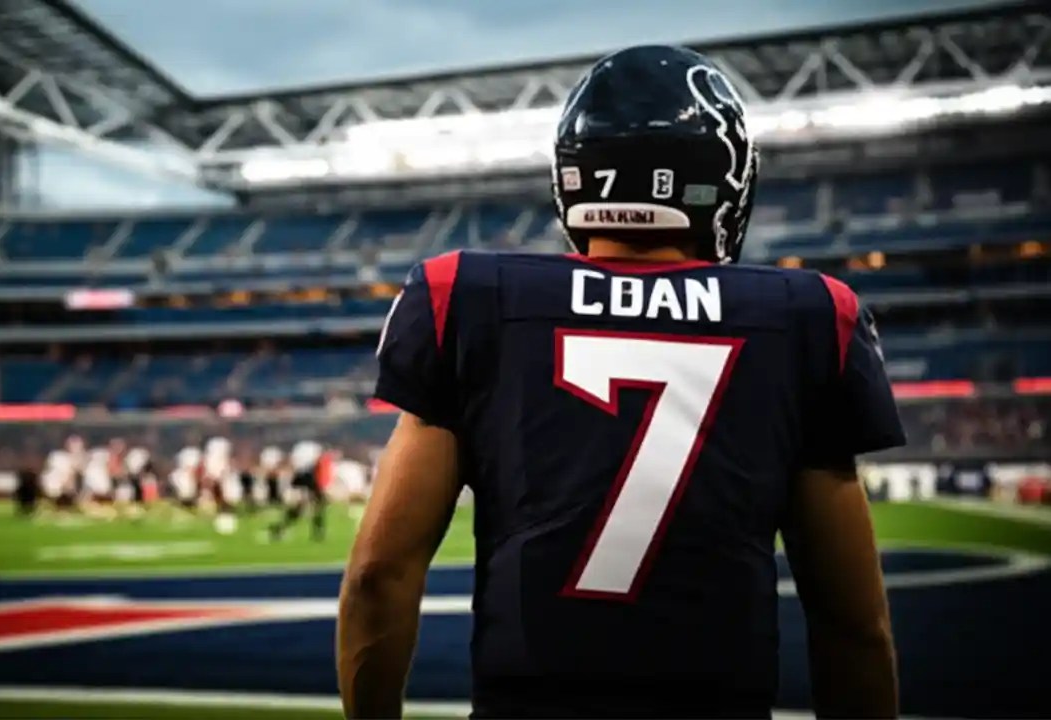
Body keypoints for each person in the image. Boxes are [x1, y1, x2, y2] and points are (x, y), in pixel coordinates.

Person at [338, 45, 903, 720]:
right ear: (722, 180)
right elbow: (851, 623)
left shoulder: (471, 297)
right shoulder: (807, 318)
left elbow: (379, 576)